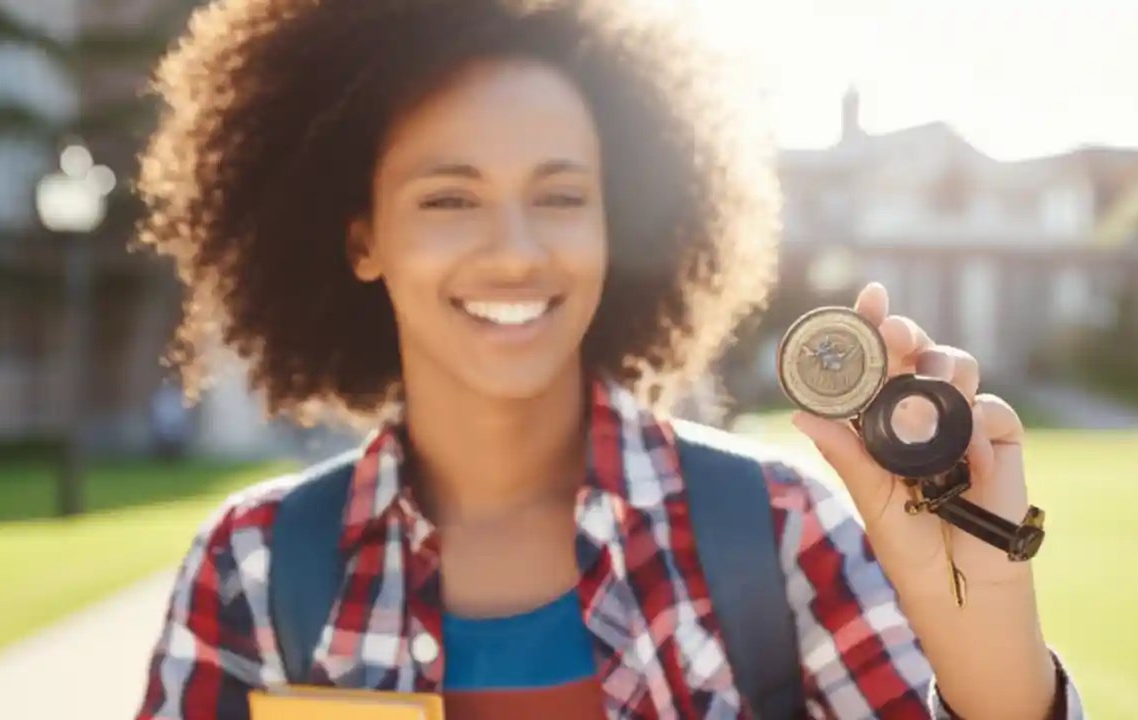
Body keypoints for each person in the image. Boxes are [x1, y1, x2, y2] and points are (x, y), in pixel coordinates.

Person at [133, 1, 1082, 718]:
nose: (516, 252)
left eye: (560, 196)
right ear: (363, 238)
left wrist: (989, 637)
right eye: (449, 199)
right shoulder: (254, 569)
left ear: (612, 225)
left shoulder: (781, 531)